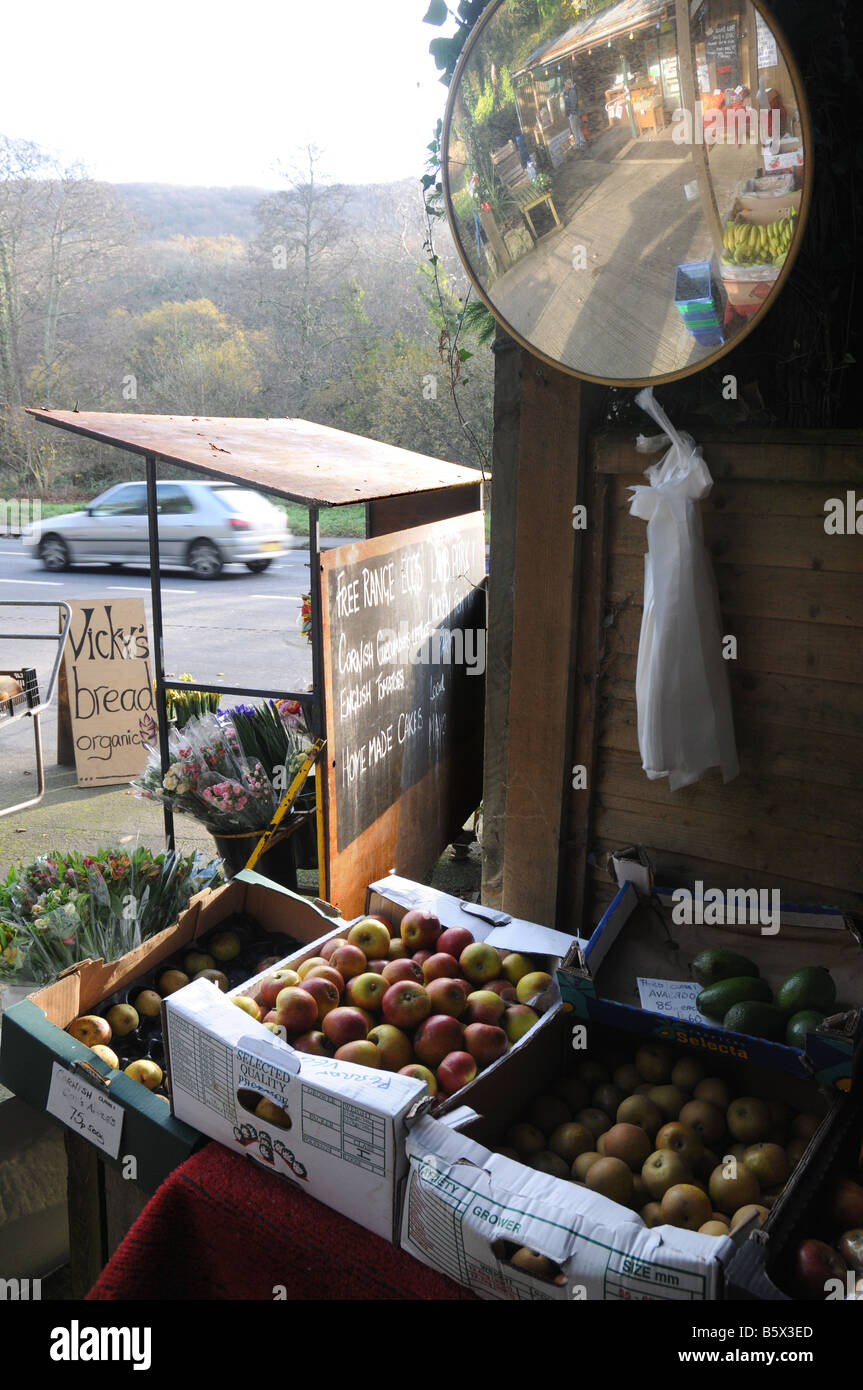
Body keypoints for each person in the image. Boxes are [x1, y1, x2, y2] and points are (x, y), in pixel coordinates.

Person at [564, 78, 587, 148]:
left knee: (574, 128)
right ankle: (582, 140)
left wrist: (571, 112)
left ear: (568, 84)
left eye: (566, 84)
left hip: (572, 113)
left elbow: (573, 102)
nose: (565, 85)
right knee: (576, 127)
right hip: (573, 112)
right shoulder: (571, 91)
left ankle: (577, 143)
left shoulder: (571, 91)